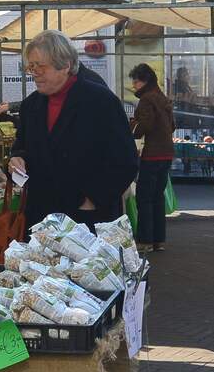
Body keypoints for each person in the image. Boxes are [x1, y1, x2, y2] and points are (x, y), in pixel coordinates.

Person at [9, 30, 139, 231]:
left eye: (41, 66)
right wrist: (16, 160)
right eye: (31, 66)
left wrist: (93, 199)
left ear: (66, 65)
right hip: (41, 219)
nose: (34, 73)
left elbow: (125, 160)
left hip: (88, 220)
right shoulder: (30, 106)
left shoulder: (100, 101)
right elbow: (21, 147)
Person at [129, 63, 175, 253]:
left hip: (152, 154)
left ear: (144, 81)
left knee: (144, 198)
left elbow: (143, 127)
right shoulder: (162, 98)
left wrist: (132, 125)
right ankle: (158, 240)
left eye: (136, 81)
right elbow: (172, 125)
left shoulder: (147, 100)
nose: (133, 86)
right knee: (157, 197)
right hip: (166, 153)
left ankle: (145, 241)